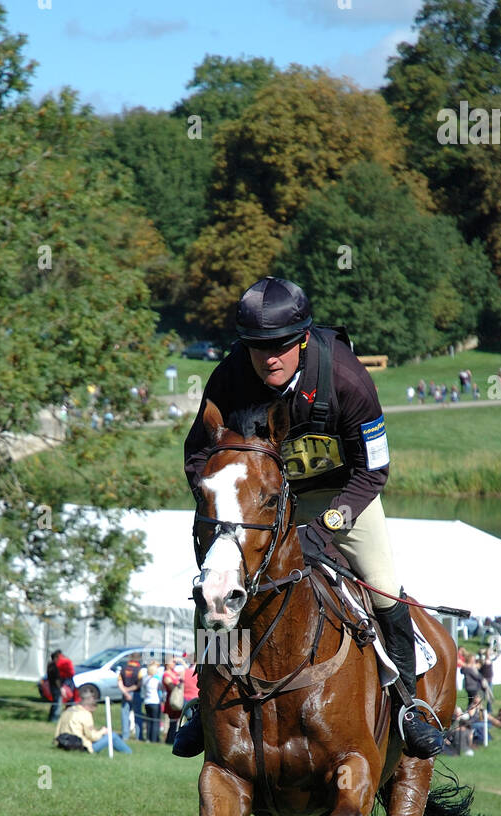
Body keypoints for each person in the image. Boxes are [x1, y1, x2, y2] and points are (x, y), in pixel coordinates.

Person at [175, 276, 443, 759]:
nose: (269, 357)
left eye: (279, 345)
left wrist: (325, 530)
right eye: (257, 347)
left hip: (343, 493)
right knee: (217, 585)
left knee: (382, 585)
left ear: (302, 339)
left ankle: (408, 706)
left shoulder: (347, 379)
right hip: (261, 504)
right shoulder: (229, 377)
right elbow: (199, 453)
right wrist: (218, 504)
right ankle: (203, 705)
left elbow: (374, 468)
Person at [56, 688, 131, 753]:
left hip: (62, 743)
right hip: (80, 746)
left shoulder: (68, 710)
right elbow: (93, 737)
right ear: (91, 706)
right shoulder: (86, 714)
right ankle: (129, 753)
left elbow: (58, 729)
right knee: (112, 736)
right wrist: (102, 731)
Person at [117, 652, 142, 739]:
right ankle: (139, 736)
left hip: (125, 694)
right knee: (137, 715)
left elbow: (119, 682)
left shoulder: (123, 669)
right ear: (138, 659)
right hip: (136, 693)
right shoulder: (139, 669)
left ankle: (125, 736)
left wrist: (125, 692)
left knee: (125, 714)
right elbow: (139, 684)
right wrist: (129, 690)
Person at [162, 657, 184, 744]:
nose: (174, 663)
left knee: (177, 722)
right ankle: (170, 740)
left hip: (178, 698)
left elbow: (186, 672)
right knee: (172, 722)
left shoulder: (174, 672)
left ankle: (173, 739)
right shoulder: (166, 675)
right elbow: (172, 687)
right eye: (173, 662)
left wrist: (182, 661)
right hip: (173, 699)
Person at [141, 660, 162, 743]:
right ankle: (154, 738)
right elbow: (161, 688)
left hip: (147, 702)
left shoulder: (145, 679)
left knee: (149, 721)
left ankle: (148, 738)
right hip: (155, 701)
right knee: (155, 721)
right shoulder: (156, 680)